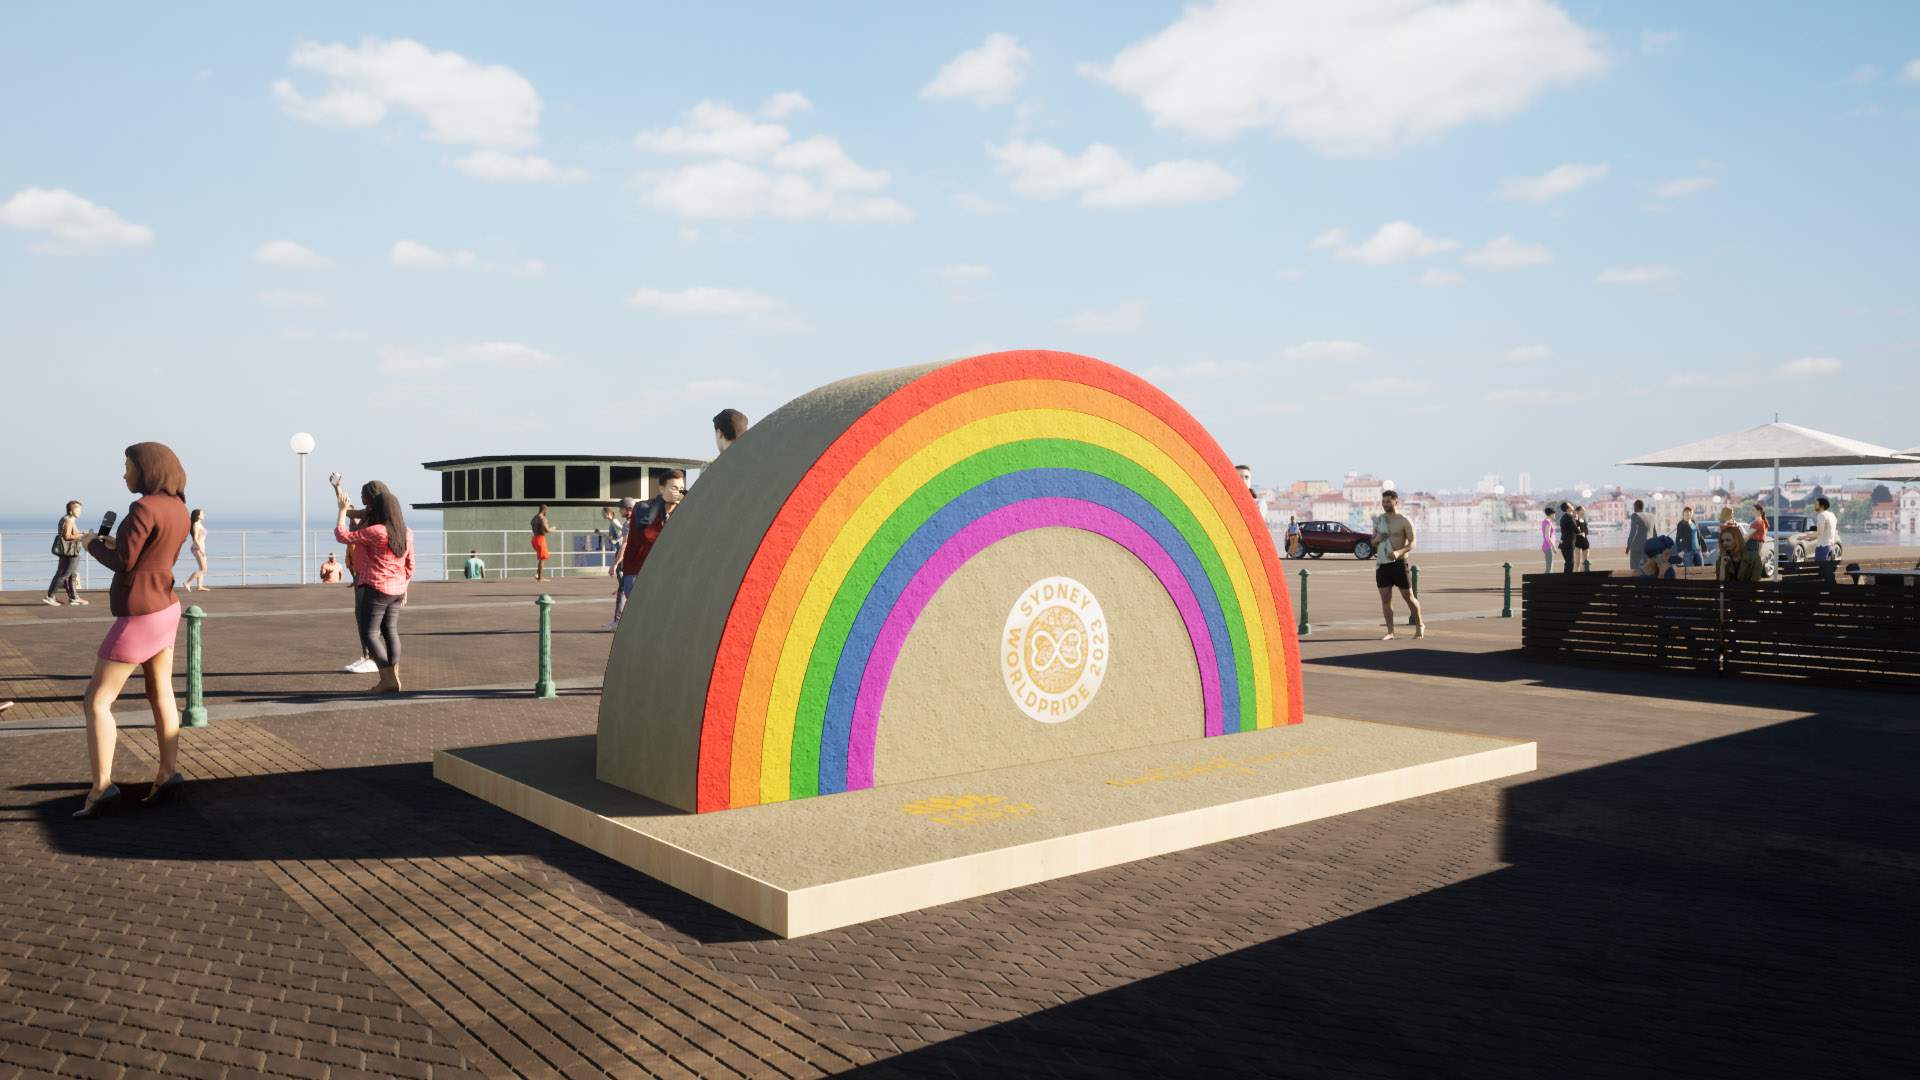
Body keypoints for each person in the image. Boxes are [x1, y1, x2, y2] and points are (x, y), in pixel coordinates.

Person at [71, 442, 193, 818]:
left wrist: (91, 544)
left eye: (128, 466)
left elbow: (124, 562)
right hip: (166, 606)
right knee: (161, 691)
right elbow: (150, 553)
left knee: (97, 700)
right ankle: (168, 773)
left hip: (139, 613)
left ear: (147, 469)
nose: (124, 474)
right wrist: (113, 542)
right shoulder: (179, 508)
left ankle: (101, 788)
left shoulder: (142, 507)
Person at [334, 477, 415, 693]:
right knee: (390, 632)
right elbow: (410, 565)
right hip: (397, 590)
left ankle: (387, 679)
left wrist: (342, 510)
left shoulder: (378, 531)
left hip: (377, 588)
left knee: (369, 633)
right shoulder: (407, 533)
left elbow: (342, 536)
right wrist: (405, 587)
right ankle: (394, 677)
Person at [606, 470, 685, 631]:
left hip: (665, 573)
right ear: (661, 489)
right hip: (638, 574)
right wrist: (661, 503)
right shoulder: (644, 507)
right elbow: (645, 528)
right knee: (648, 619)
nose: (679, 492)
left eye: (681, 488)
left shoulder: (682, 511)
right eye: (674, 488)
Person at [1371, 490, 1423, 640]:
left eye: (1388, 501)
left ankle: (1419, 624)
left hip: (1399, 564)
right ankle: (1390, 632)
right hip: (1383, 564)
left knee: (1409, 597)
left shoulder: (1404, 520)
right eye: (1383, 501)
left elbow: (1413, 543)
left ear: (1396, 501)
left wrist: (1398, 552)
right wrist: (1377, 540)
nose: (1385, 504)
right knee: (1385, 600)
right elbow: (1372, 542)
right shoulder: (1379, 520)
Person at [45, 499, 90, 606]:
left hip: (67, 551)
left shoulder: (67, 519)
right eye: (77, 510)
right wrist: (82, 535)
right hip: (70, 552)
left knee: (71, 575)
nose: (79, 512)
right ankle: (50, 597)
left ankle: (74, 598)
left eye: (80, 510)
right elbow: (67, 536)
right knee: (64, 574)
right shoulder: (69, 520)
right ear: (70, 511)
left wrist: (80, 533)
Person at [1809, 496, 1839, 586]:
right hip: (1830, 546)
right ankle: (1831, 588)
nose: (1814, 505)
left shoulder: (1821, 515)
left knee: (1824, 571)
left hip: (1822, 547)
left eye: (1816, 504)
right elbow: (1826, 532)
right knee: (1828, 570)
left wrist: (1805, 536)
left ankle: (1830, 588)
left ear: (1821, 506)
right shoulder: (1832, 515)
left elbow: (1820, 532)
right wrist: (1812, 538)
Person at [1624, 499, 1656, 573]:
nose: (1634, 509)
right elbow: (1654, 533)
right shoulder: (1651, 516)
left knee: (1634, 567)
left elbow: (1633, 532)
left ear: (1635, 506)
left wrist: (1628, 545)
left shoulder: (1635, 515)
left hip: (1637, 546)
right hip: (1649, 546)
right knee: (1647, 567)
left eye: (1634, 507)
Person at [183, 508, 209, 591]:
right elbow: (195, 538)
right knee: (203, 569)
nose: (204, 515)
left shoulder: (199, 524)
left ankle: (199, 586)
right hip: (197, 548)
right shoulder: (196, 525)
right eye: (202, 513)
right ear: (198, 516)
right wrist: (201, 549)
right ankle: (187, 582)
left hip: (200, 547)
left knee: (202, 568)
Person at [530, 504, 551, 582]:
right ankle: (540, 578)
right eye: (546, 510)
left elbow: (532, 524)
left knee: (541, 557)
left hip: (534, 539)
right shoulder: (542, 518)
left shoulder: (534, 518)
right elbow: (547, 530)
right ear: (544, 510)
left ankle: (537, 574)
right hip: (540, 539)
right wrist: (553, 529)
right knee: (542, 558)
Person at [1556, 502, 1578, 573]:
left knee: (1568, 563)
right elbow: (1577, 530)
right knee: (1570, 563)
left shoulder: (1564, 517)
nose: (1572, 505)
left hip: (1565, 544)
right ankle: (1567, 578)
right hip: (1568, 544)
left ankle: (1566, 578)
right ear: (1568, 508)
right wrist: (1576, 519)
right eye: (1570, 505)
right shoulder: (1569, 518)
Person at [1538, 507, 1556, 574]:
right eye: (1554, 514)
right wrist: (1553, 547)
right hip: (1548, 547)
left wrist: (1557, 541)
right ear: (1551, 514)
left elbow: (1550, 536)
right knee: (1549, 568)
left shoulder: (1545, 521)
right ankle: (1546, 580)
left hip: (1547, 546)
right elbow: (1547, 537)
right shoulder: (1548, 522)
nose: (1555, 516)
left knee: (1549, 567)